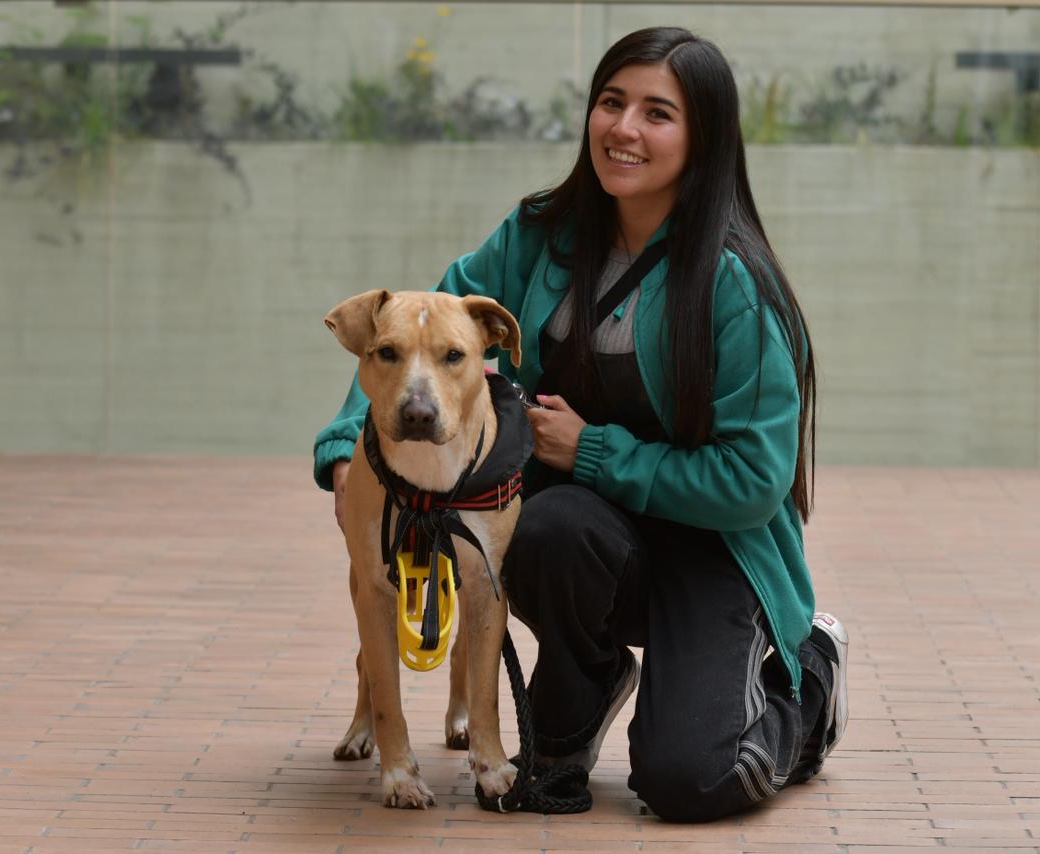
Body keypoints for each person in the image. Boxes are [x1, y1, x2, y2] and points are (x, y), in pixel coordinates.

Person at [313, 26, 848, 822]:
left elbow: (752, 482)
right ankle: (585, 688)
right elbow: (418, 331)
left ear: (703, 138)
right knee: (540, 526)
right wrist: (345, 449)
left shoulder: (738, 289)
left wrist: (593, 450)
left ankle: (812, 676)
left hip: (713, 552)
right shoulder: (540, 233)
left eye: (657, 113)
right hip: (582, 540)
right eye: (611, 102)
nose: (624, 128)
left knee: (688, 782)